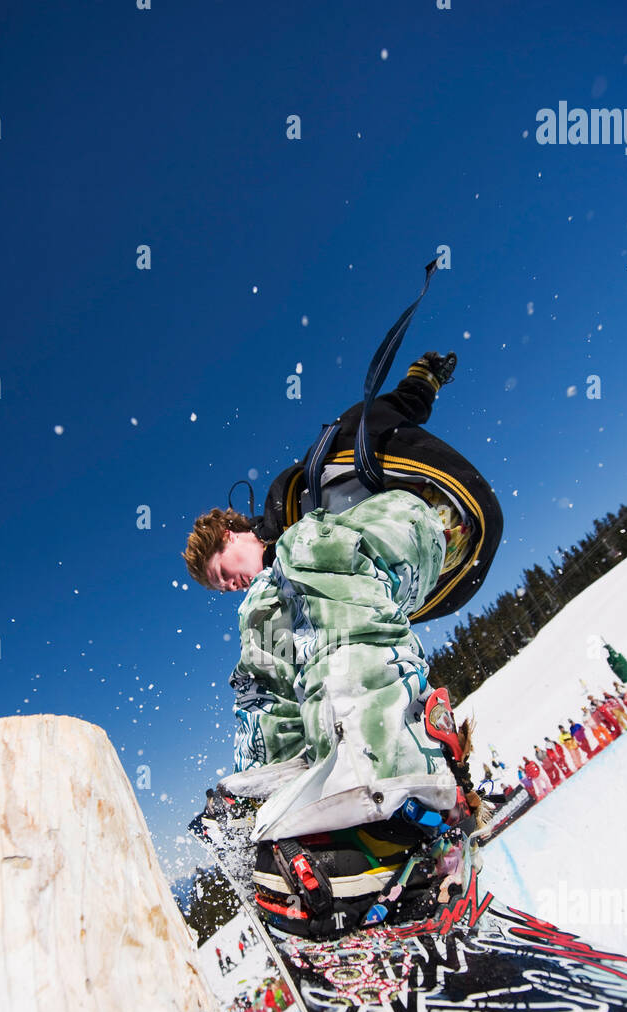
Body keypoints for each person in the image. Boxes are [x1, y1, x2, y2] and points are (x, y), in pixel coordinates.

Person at [184, 351, 504, 935]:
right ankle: (294, 780)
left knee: (306, 550)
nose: (228, 584)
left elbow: (397, 408)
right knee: (260, 619)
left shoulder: (300, 494)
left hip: (437, 517)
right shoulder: (278, 586)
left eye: (222, 569)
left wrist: (425, 374)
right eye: (217, 585)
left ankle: (400, 774)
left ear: (231, 532)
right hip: (361, 577)